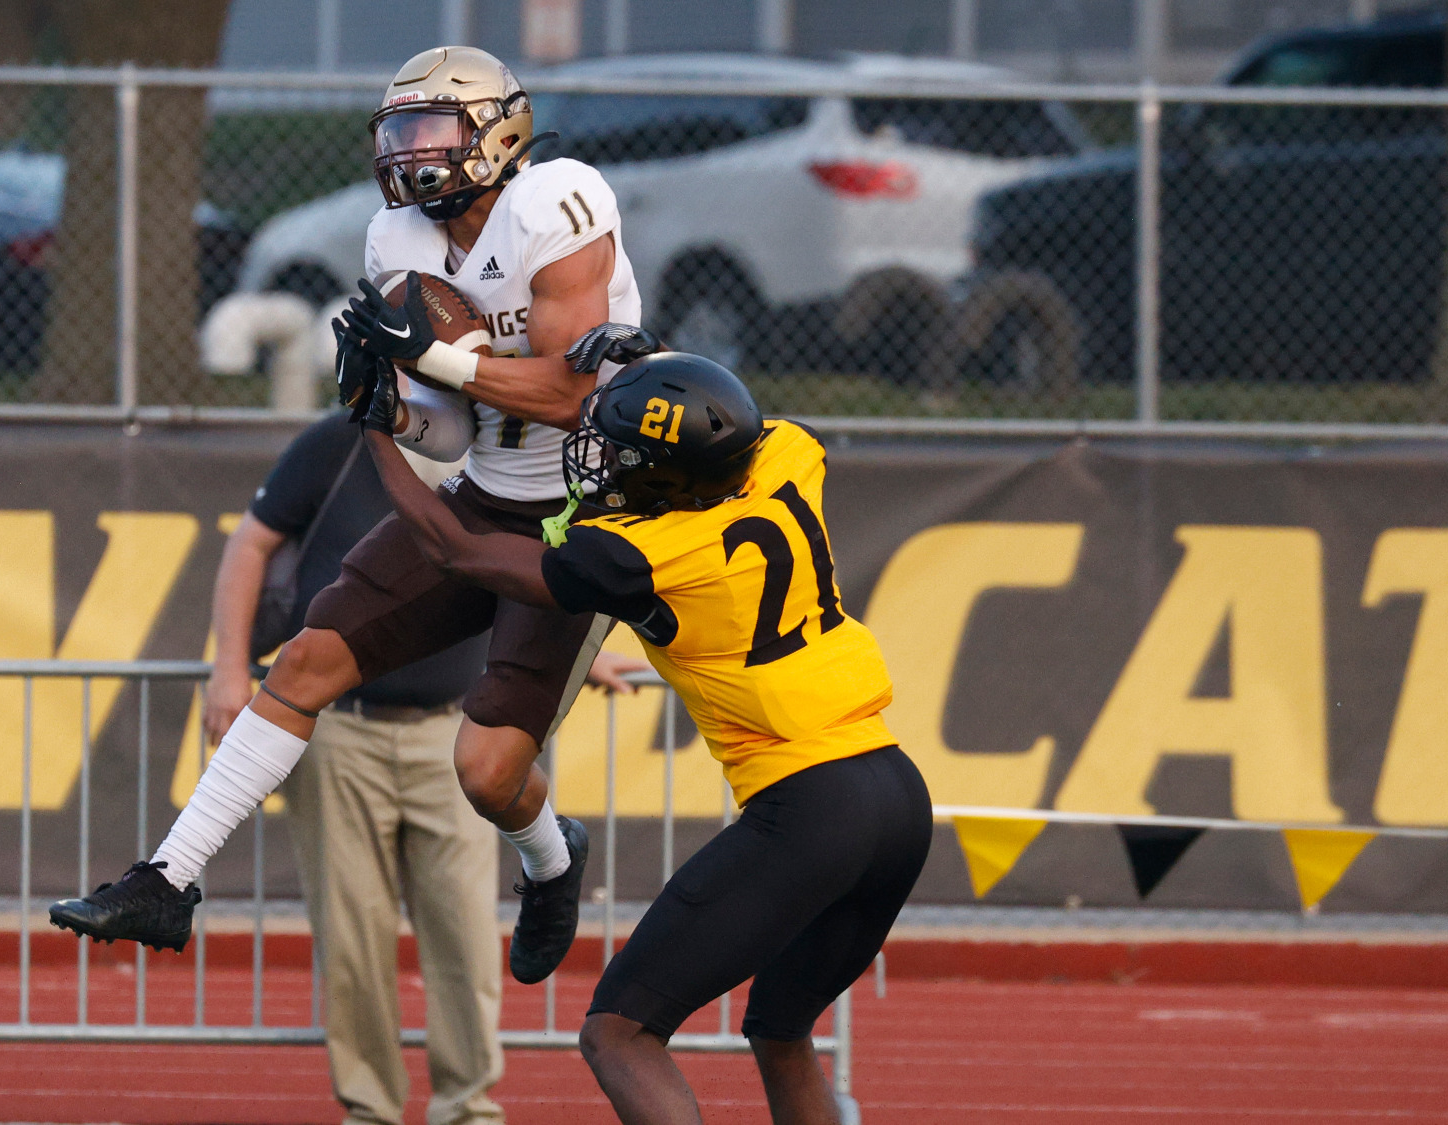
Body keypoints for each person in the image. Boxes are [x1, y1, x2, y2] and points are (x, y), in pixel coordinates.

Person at [52, 43, 644, 987]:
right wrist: (394, 407)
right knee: (307, 657)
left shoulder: (557, 202)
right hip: (485, 489)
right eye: (399, 133)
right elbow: (448, 434)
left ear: (500, 132)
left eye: (433, 131)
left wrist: (441, 360)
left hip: (583, 505)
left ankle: (551, 858)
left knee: (487, 770)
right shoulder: (398, 238)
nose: (411, 154)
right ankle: (169, 876)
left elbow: (574, 392)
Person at [348, 335, 934, 1125]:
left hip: (810, 808)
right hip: (896, 792)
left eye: (621, 454)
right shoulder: (787, 460)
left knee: (619, 1032)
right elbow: (726, 419)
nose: (603, 463)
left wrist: (375, 426)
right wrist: (656, 356)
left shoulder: (641, 553)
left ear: (664, 477)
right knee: (782, 1029)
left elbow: (454, 551)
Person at [199, 410, 647, 1125]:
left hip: (455, 731)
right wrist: (227, 668)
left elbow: (544, 566)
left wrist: (581, 650)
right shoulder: (333, 443)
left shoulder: (511, 449)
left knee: (467, 934)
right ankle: (370, 1109)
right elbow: (251, 544)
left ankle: (468, 1108)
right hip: (342, 729)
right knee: (351, 940)